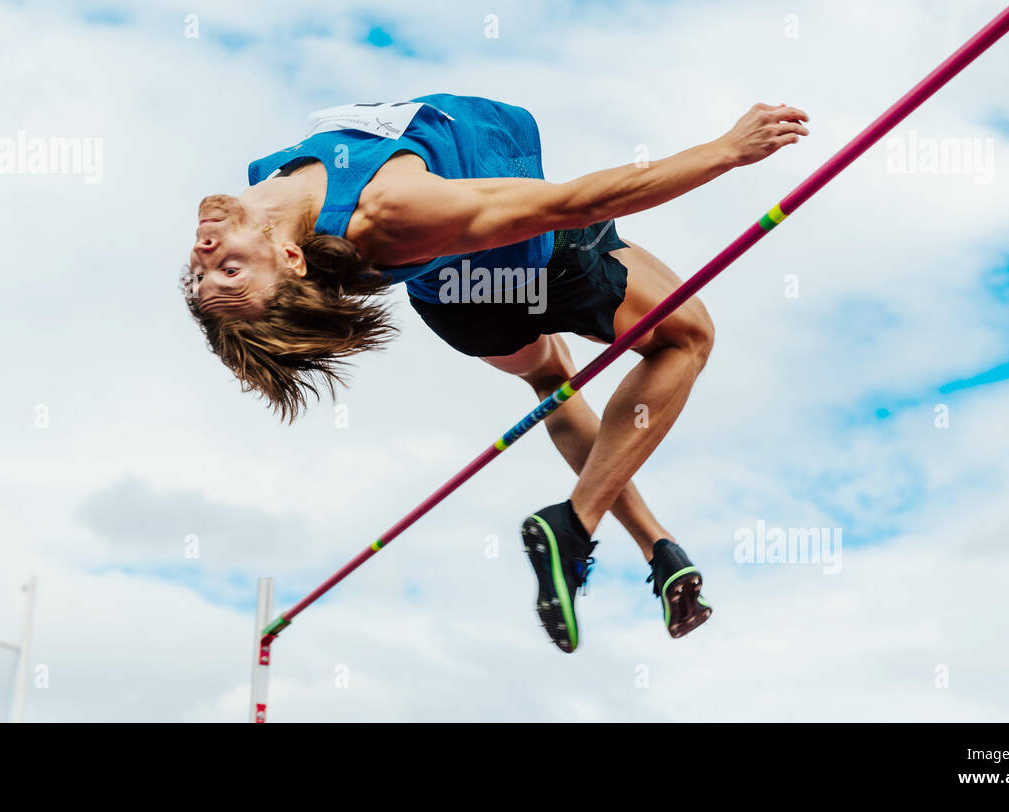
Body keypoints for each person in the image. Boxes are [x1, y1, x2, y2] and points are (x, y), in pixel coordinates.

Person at [183, 94, 808, 652]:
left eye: (204, 277)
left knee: (551, 382)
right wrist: (724, 151)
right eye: (229, 273)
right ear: (291, 259)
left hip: (455, 302)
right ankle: (574, 526)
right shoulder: (390, 209)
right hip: (535, 270)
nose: (205, 259)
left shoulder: (255, 200)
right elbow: (575, 203)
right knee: (687, 338)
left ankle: (656, 545)